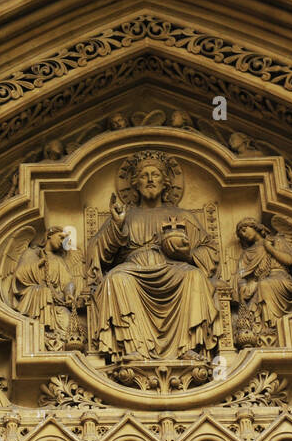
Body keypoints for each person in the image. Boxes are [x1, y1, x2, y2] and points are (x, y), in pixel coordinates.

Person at [87, 150, 220, 360]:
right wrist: (117, 224)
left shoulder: (182, 216)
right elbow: (97, 252)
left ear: (166, 182)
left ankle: (187, 346)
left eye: (155, 174)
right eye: (143, 175)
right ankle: (133, 347)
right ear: (135, 183)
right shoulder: (125, 214)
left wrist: (187, 255)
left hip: (173, 267)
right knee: (115, 279)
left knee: (194, 276)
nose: (150, 180)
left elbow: (210, 251)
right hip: (134, 268)